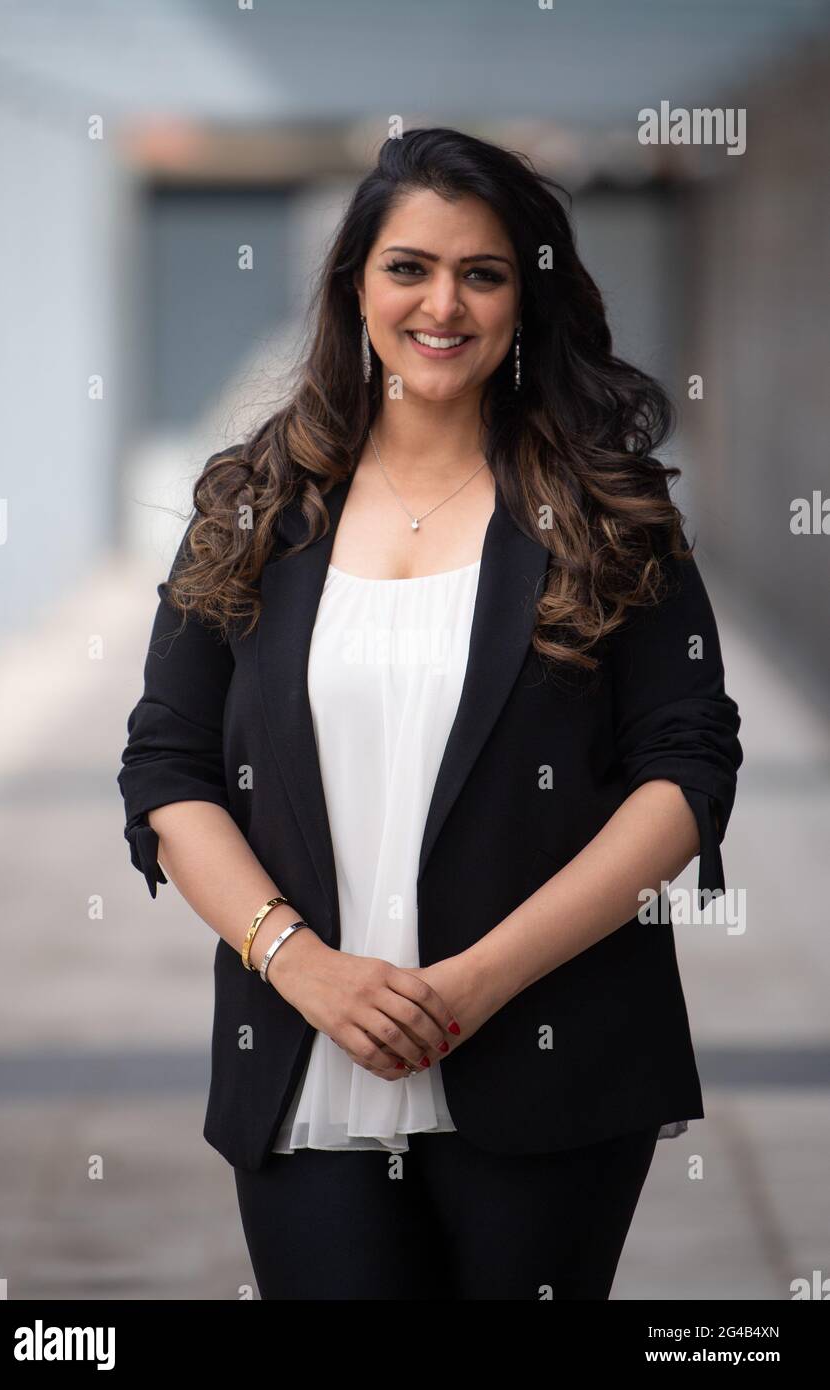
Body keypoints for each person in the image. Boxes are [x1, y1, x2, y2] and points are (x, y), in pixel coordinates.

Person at [118, 127, 743, 1300]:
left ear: (522, 298)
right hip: (304, 1056)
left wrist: (478, 983)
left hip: (550, 1058)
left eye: (482, 272)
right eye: (407, 266)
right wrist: (301, 968)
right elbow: (168, 769)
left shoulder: (611, 512)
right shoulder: (252, 508)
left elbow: (686, 768)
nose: (440, 303)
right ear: (355, 286)